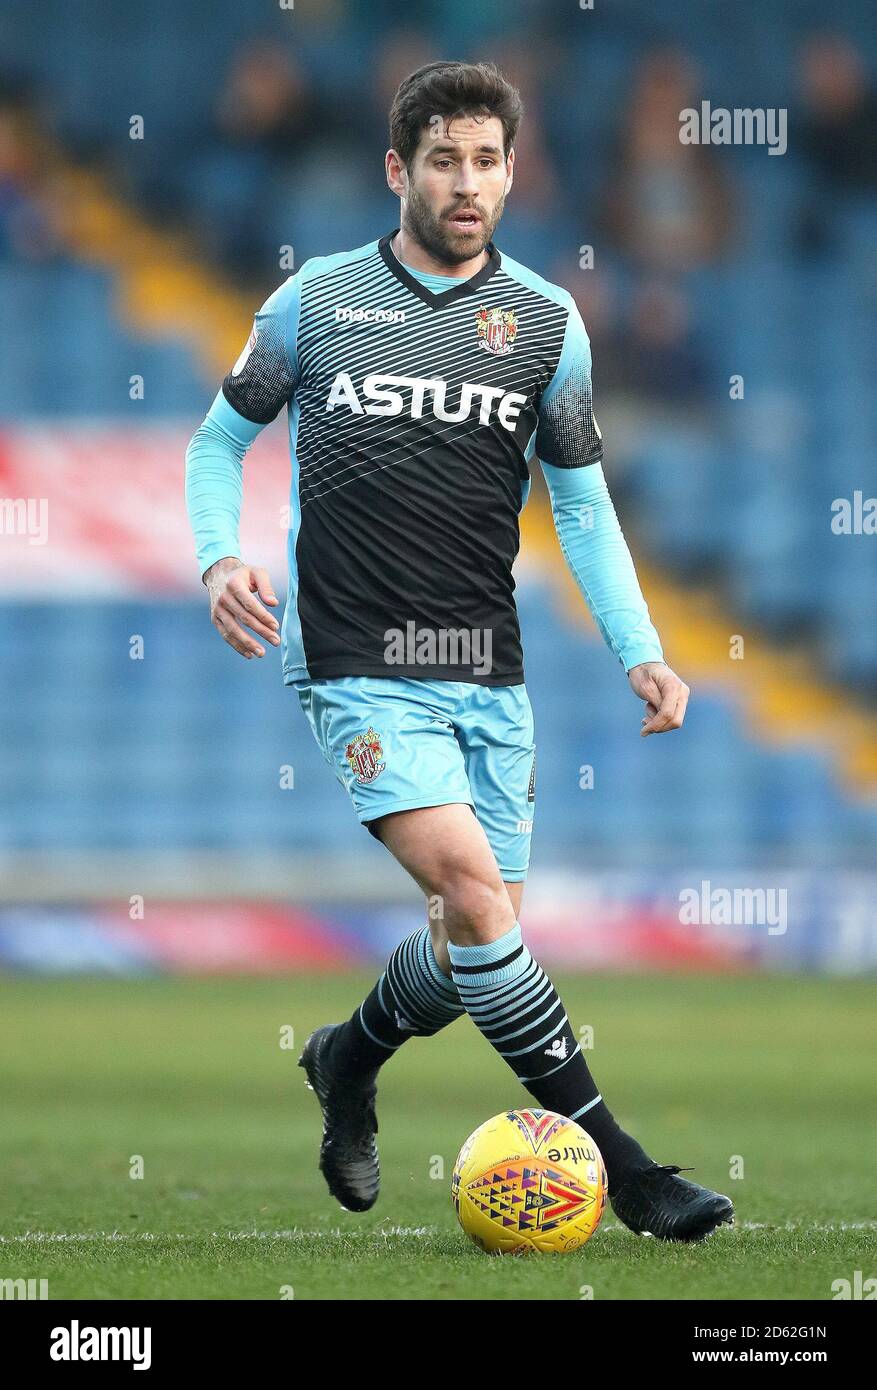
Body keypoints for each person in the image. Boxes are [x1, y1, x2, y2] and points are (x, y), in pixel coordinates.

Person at [185, 60, 733, 1242]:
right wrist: (219, 558)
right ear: (399, 170)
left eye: (488, 160)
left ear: (512, 170)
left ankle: (346, 1058)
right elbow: (216, 443)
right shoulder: (316, 304)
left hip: (488, 667)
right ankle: (630, 1171)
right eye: (444, 159)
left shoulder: (545, 321)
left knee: (473, 943)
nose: (468, 180)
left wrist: (642, 647)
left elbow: (580, 507)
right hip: (354, 656)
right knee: (480, 904)